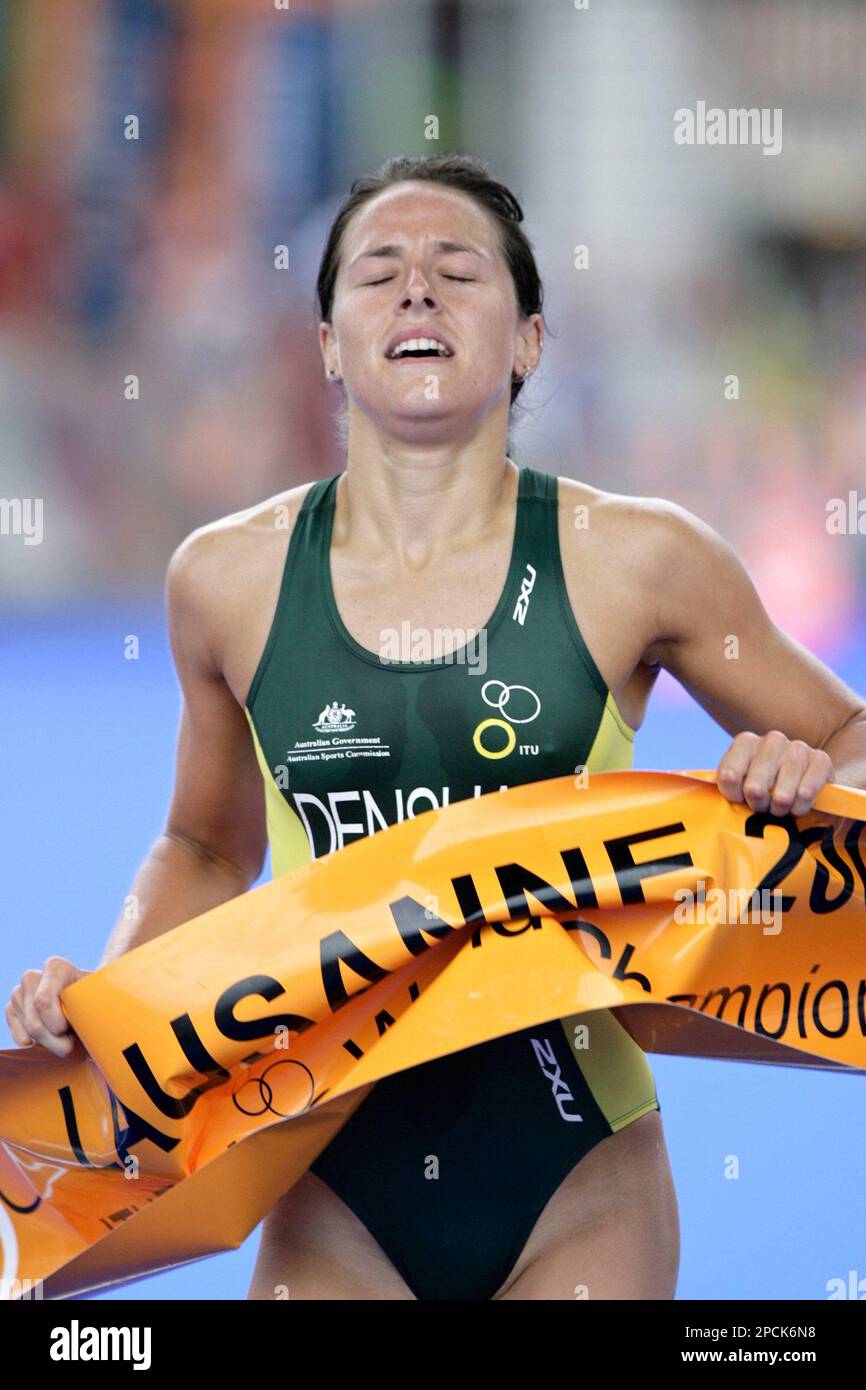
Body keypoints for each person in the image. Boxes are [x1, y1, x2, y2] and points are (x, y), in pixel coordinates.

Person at [7, 155, 866, 1302]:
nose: (416, 290)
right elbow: (209, 848)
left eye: (456, 270)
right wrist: (110, 1009)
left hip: (578, 1174)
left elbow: (850, 734)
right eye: (378, 272)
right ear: (325, 343)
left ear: (527, 341)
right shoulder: (224, 579)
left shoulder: (640, 560)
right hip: (327, 1180)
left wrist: (796, 775)